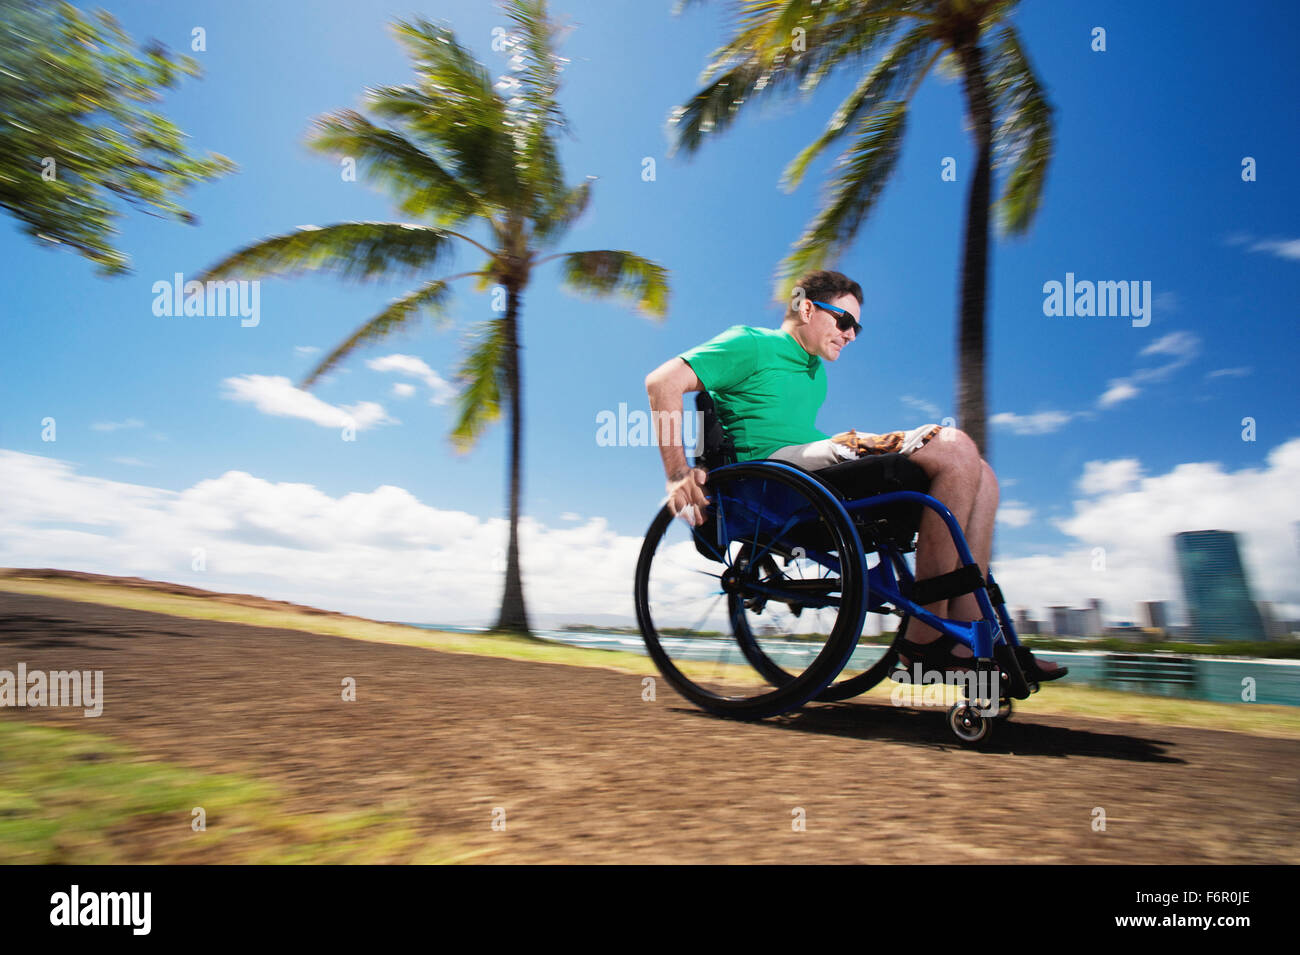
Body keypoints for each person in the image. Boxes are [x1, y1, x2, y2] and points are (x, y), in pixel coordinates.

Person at [643, 269, 1065, 681]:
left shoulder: (815, 375)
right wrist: (678, 473)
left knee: (983, 475)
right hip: (771, 478)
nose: (850, 334)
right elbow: (661, 382)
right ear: (807, 309)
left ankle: (974, 635)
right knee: (953, 447)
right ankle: (924, 639)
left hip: (813, 473)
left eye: (856, 329)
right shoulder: (751, 343)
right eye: (843, 321)